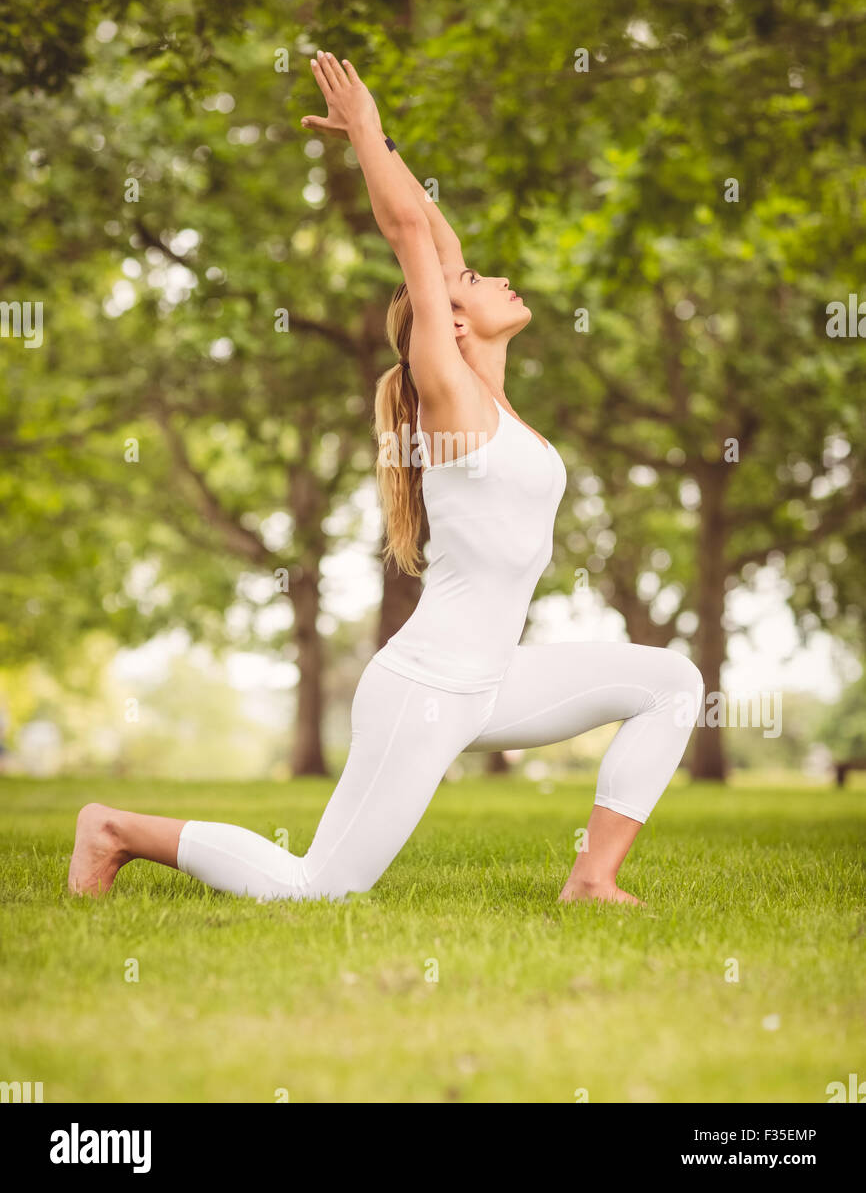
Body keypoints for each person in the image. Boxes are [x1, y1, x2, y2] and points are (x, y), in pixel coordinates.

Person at [68, 53, 703, 907]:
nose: (489, 274)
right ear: (449, 324)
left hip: (494, 682)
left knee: (672, 682)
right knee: (316, 888)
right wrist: (362, 132)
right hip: (428, 689)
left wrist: (385, 140)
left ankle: (592, 879)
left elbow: (433, 234)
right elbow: (412, 238)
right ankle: (114, 828)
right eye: (473, 282)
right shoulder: (449, 397)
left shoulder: (498, 407)